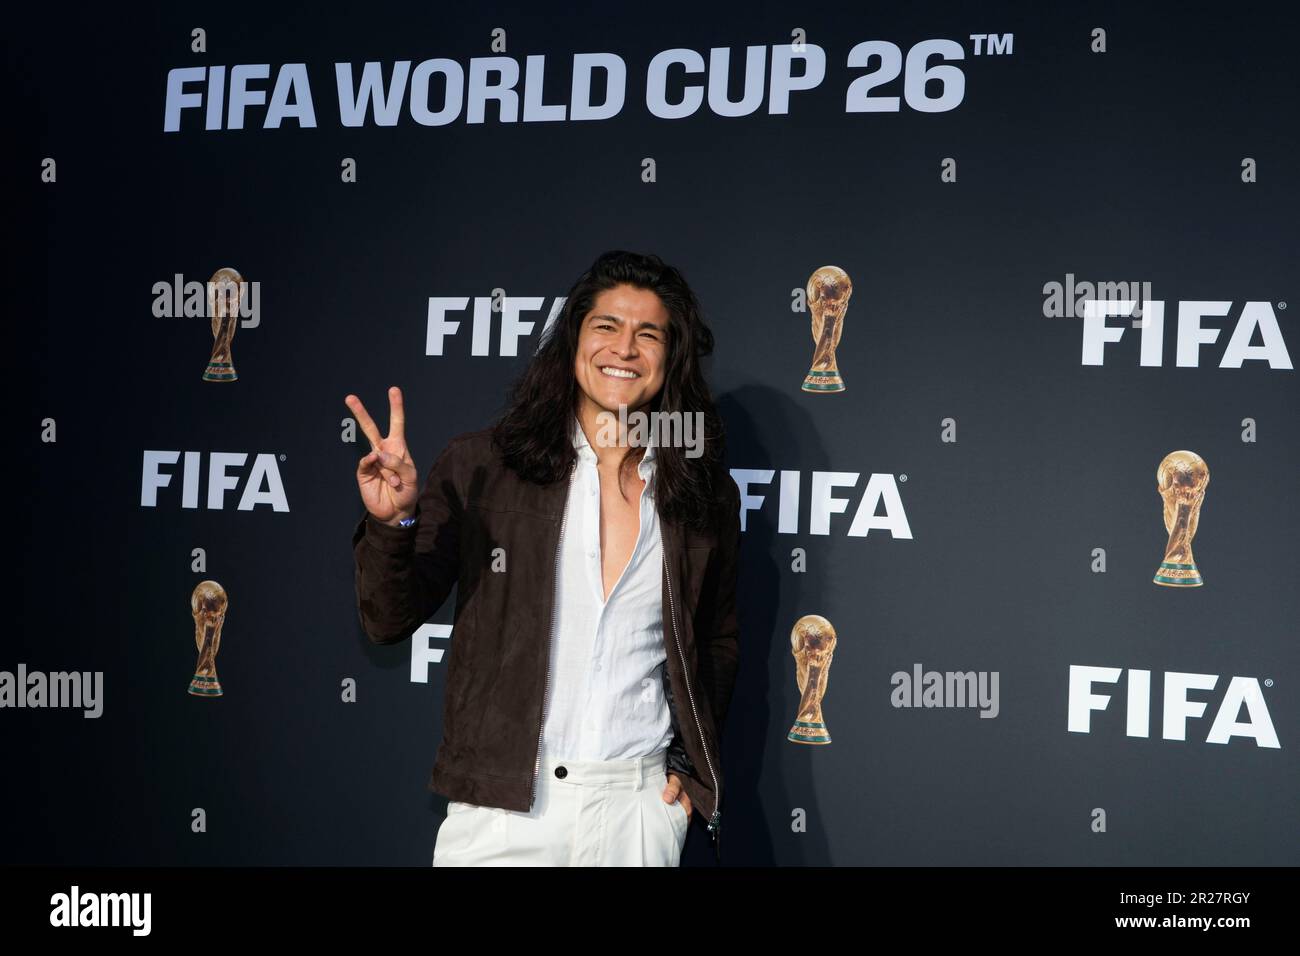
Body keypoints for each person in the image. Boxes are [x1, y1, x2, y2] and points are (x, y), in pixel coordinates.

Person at [346, 250, 741, 866]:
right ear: (573, 341)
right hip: (505, 812)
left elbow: (714, 638)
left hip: (637, 814)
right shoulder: (484, 466)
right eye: (606, 327)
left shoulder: (701, 492)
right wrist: (392, 520)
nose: (624, 349)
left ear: (673, 356)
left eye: (648, 334)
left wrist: (689, 771)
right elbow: (387, 619)